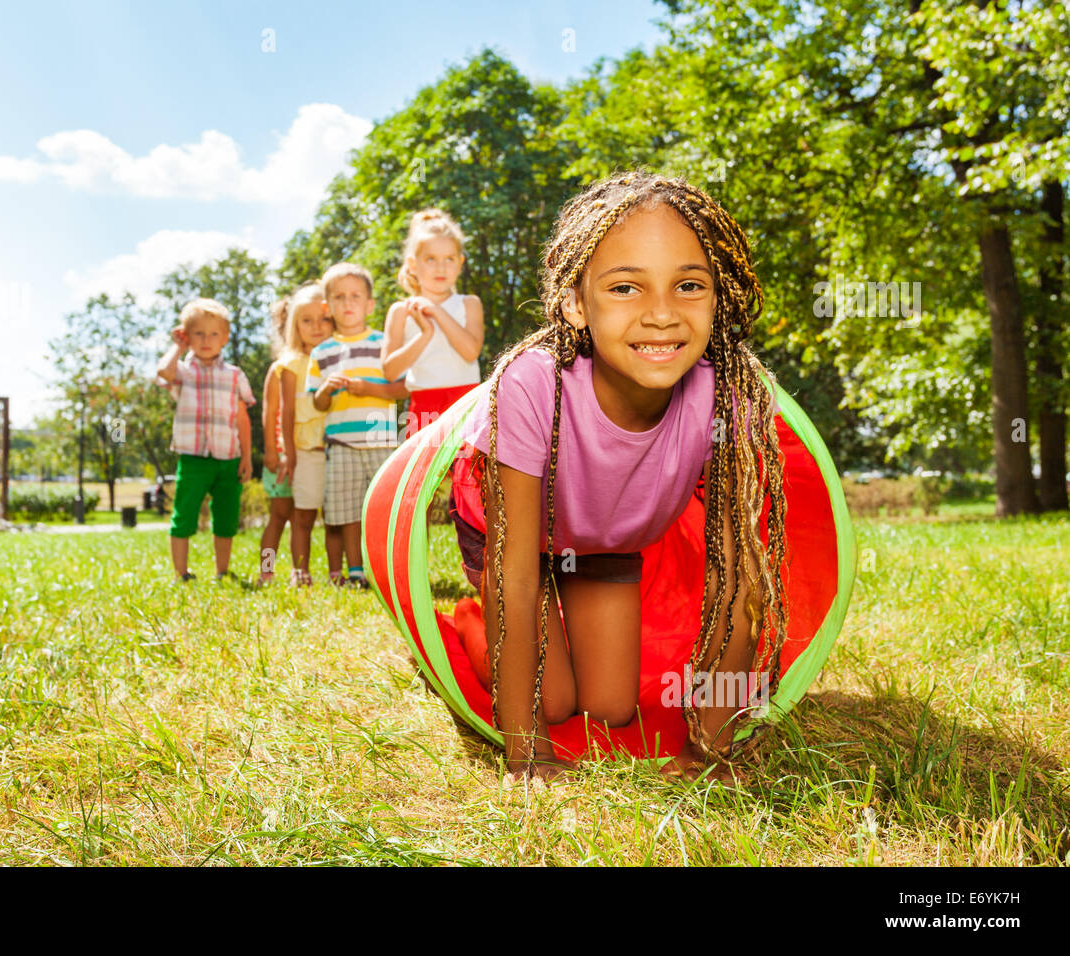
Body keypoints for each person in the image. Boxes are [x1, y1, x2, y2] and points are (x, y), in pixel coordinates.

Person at [449, 169, 787, 785]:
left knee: (610, 706)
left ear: (720, 298)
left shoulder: (728, 393)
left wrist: (707, 749)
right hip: (512, 532)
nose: (661, 315)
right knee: (548, 705)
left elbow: (742, 583)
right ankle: (469, 622)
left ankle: (567, 618)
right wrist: (529, 754)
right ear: (577, 302)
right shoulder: (533, 383)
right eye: (626, 287)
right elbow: (515, 573)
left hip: (604, 538)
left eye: (689, 285)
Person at [307, 263, 409, 588]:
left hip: (381, 440)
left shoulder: (385, 344)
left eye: (355, 296)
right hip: (341, 444)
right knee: (348, 510)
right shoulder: (322, 353)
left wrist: (369, 389)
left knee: (383, 509)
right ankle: (355, 571)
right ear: (328, 307)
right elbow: (318, 403)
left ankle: (386, 568)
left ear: (369, 305)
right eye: (339, 297)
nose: (347, 303)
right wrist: (325, 390)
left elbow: (402, 388)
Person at [155, 298, 255, 582]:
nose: (206, 340)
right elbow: (162, 372)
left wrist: (246, 457)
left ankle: (222, 572)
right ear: (187, 336)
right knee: (184, 514)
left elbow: (241, 419)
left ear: (224, 338)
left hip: (229, 457)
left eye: (213, 334)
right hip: (193, 457)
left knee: (225, 517)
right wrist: (178, 346)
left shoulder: (234, 375)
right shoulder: (183, 372)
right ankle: (181, 573)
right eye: (198, 333)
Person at [382, 209, 484, 439]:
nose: (441, 267)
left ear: (460, 263)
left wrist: (437, 312)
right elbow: (390, 371)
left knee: (468, 474)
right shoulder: (401, 311)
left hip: (466, 401)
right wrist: (425, 334)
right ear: (413, 264)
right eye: (431, 259)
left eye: (449, 259)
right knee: (427, 475)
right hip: (423, 407)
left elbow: (470, 352)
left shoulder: (469, 303)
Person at [273, 282, 336, 586]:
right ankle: (301, 572)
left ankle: (343, 571)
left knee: (338, 518)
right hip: (306, 450)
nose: (316, 327)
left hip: (338, 449)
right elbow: (284, 412)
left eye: (324, 319)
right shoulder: (290, 364)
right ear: (295, 325)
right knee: (303, 517)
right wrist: (289, 453)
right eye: (306, 320)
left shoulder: (339, 357)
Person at [258, 298, 298, 586]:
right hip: (281, 459)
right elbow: (269, 411)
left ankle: (300, 571)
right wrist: (272, 451)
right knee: (278, 517)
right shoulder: (279, 368)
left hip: (306, 456)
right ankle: (266, 571)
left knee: (301, 520)